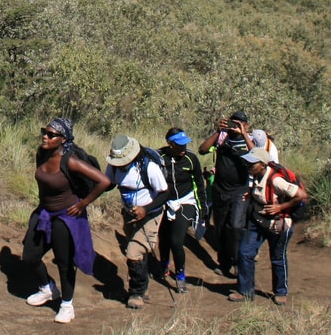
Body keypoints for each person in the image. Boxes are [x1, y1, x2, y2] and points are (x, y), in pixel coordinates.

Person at [22, 118, 112, 324]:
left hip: (66, 215)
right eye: (45, 132)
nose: (45, 136)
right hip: (45, 212)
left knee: (64, 263)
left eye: (51, 134)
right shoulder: (41, 154)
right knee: (30, 255)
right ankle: (47, 289)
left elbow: (104, 181)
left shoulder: (70, 161)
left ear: (63, 139)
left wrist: (83, 204)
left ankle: (66, 305)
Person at [229, 147, 308, 305]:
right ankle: (245, 291)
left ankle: (280, 292)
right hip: (258, 221)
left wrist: (280, 207)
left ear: (263, 165)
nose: (248, 166)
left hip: (278, 224)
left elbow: (302, 195)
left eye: (252, 164)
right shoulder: (255, 175)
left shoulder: (276, 180)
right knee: (245, 253)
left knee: (277, 257)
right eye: (248, 163)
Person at [104, 135, 170, 309]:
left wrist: (145, 209)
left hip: (151, 215)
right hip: (129, 215)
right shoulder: (114, 166)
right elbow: (108, 184)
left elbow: (165, 193)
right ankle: (143, 283)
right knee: (137, 252)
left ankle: (137, 292)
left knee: (133, 253)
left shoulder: (149, 167)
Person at [198, 111, 255, 279]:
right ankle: (224, 263)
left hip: (239, 191)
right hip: (220, 190)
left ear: (246, 125)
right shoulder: (222, 137)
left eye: (239, 124)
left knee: (236, 227)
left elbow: (257, 157)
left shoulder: (248, 141)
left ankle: (238, 262)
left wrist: (243, 134)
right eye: (233, 123)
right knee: (221, 228)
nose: (234, 126)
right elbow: (202, 149)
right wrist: (218, 131)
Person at [157, 127, 207, 294]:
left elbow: (199, 184)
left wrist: (202, 208)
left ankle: (180, 277)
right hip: (164, 202)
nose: (183, 149)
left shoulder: (191, 159)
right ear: (170, 144)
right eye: (179, 145)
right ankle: (164, 264)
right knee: (163, 236)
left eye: (185, 145)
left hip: (186, 202)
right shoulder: (159, 158)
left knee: (177, 241)